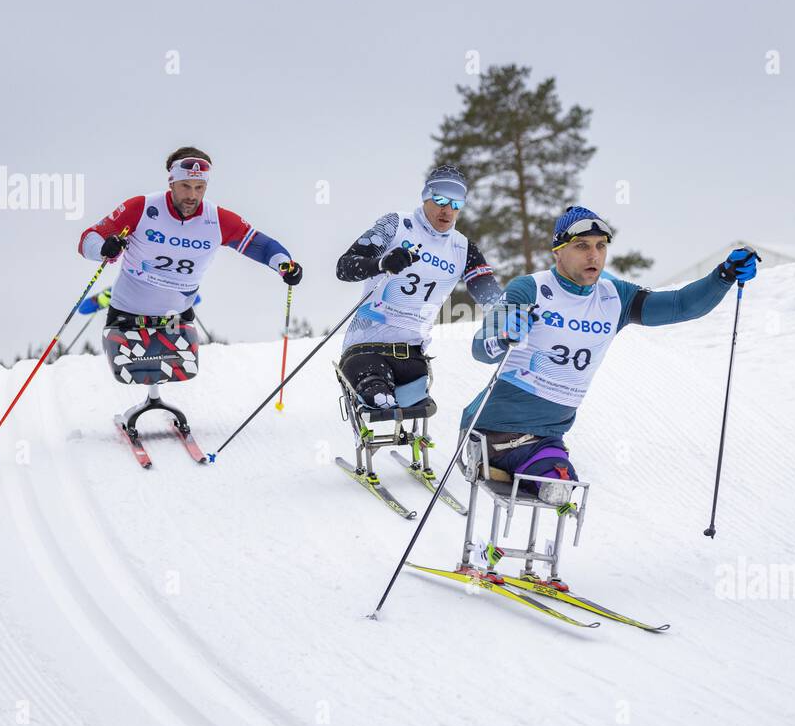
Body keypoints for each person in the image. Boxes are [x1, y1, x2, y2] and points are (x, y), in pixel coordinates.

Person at [462, 206, 759, 504]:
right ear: (558, 251)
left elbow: (682, 305)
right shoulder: (531, 289)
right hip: (492, 430)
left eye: (600, 246)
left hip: (545, 438)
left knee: (560, 489)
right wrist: (502, 336)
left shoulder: (615, 297)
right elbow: (481, 349)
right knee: (550, 489)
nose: (594, 256)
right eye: (581, 246)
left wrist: (723, 276)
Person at [78, 146, 302, 335]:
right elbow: (88, 239)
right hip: (127, 312)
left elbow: (260, 246)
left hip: (176, 316)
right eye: (185, 186)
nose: (192, 196)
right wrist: (103, 249)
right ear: (172, 183)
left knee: (178, 376)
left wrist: (285, 266)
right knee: (132, 376)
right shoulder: (142, 207)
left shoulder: (216, 220)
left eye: (199, 187)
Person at [335, 165, 501, 409]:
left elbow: (490, 295)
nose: (447, 210)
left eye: (456, 204)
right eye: (441, 199)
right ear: (426, 197)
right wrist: (381, 263)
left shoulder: (463, 248)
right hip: (365, 347)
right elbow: (344, 267)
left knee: (416, 411)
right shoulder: (396, 225)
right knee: (377, 399)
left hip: (411, 356)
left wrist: (514, 313)